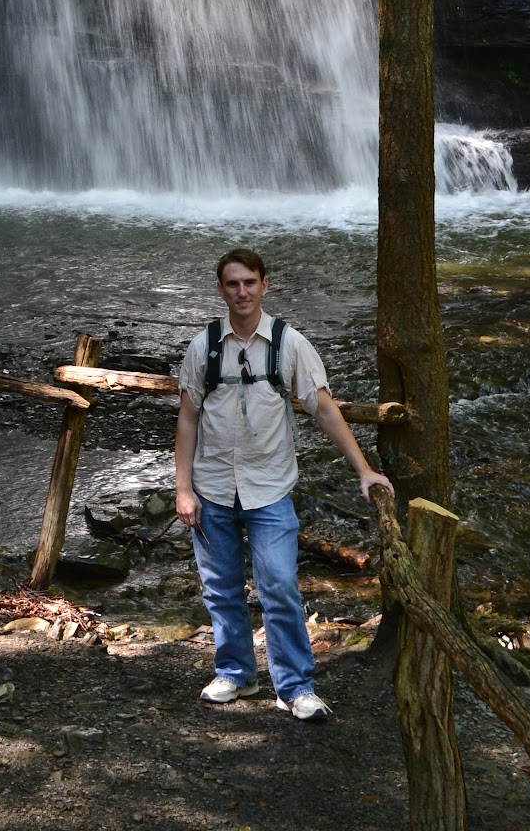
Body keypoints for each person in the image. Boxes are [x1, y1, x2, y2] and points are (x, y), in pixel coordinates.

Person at [175, 247, 393, 721]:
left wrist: (364, 470)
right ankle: (236, 673)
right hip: (213, 488)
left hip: (269, 489)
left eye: (249, 282)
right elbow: (188, 418)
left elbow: (324, 409)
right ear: (221, 290)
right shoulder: (204, 346)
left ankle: (294, 686)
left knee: (278, 586)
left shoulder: (289, 344)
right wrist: (183, 488)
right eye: (232, 284)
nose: (242, 292)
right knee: (221, 589)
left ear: (264, 285)